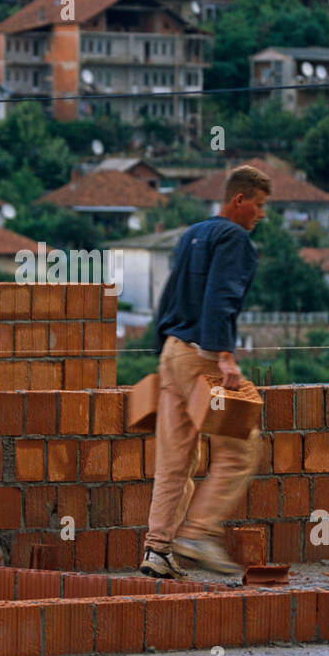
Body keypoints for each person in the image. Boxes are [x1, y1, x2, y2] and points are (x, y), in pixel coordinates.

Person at [141, 165, 270, 579]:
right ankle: (196, 534)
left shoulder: (190, 234)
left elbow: (168, 296)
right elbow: (221, 298)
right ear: (239, 200)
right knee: (241, 450)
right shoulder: (235, 238)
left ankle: (157, 549)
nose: (261, 215)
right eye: (259, 205)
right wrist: (225, 358)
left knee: (176, 460)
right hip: (201, 358)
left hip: (173, 354)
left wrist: (163, 355)